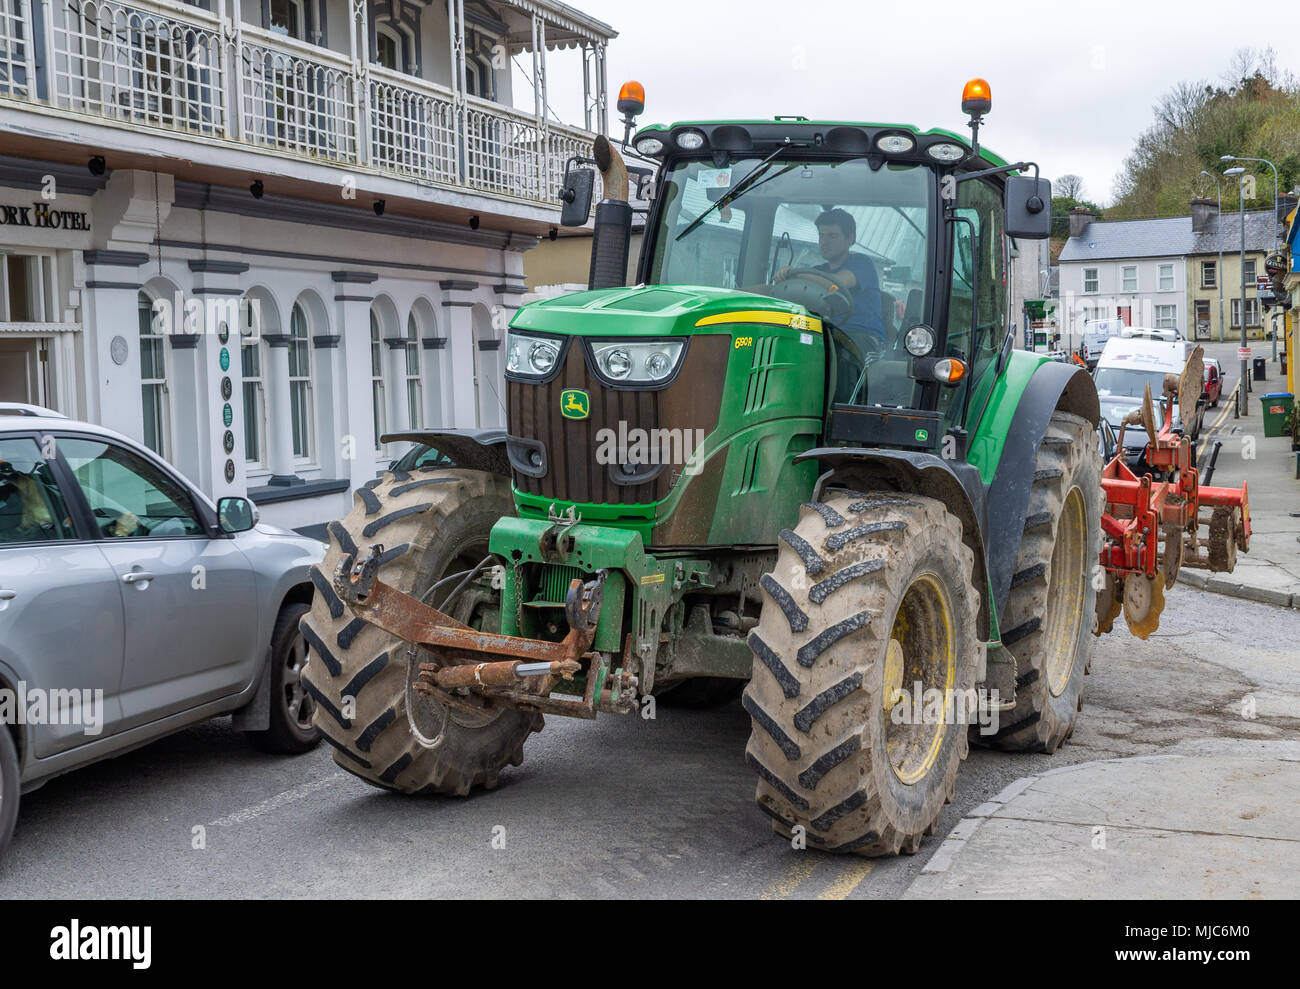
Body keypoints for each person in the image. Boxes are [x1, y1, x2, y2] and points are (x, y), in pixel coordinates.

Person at [775, 208, 887, 351]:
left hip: (862, 340)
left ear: (850, 238)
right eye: (822, 235)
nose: (824, 242)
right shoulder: (817, 271)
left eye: (832, 236)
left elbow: (836, 283)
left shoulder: (862, 263)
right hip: (825, 335)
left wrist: (792, 274)